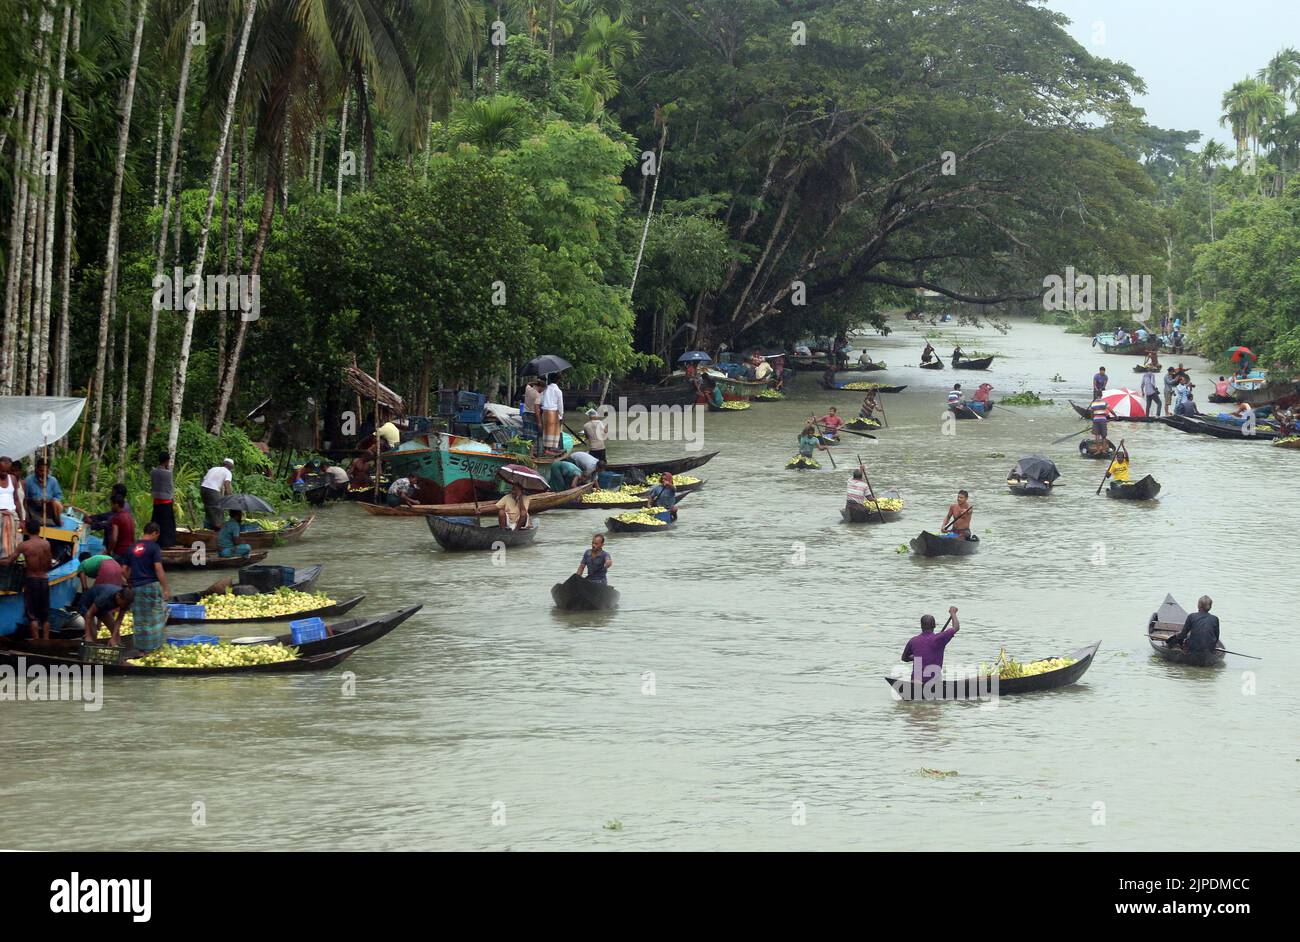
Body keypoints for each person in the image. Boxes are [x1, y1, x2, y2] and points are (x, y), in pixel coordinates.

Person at [0, 519, 53, 640]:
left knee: (32, 616)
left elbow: (8, 562)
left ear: (27, 530)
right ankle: (46, 642)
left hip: (32, 581)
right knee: (45, 617)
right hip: (44, 580)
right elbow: (49, 564)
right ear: (39, 530)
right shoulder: (46, 544)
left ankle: (36, 643)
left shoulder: (24, 545)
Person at [127, 522, 171, 653]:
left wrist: (130, 582)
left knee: (139, 619)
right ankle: (154, 649)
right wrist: (165, 588)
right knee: (155, 618)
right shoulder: (154, 547)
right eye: (157, 535)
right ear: (155, 533)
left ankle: (141, 650)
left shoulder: (131, 547)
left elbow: (123, 569)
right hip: (151, 585)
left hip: (136, 587)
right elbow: (158, 568)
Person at [901, 607, 961, 685]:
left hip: (916, 682)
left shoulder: (913, 641)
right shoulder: (939, 638)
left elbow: (904, 658)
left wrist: (916, 657)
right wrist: (953, 613)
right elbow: (956, 627)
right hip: (933, 683)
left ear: (921, 626)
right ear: (934, 626)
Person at [24, 457, 63, 526]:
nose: (43, 473)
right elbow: (24, 499)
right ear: (36, 469)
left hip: (48, 510)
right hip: (34, 511)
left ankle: (56, 520)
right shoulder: (28, 481)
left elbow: (58, 496)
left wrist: (50, 501)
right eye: (41, 470)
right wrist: (34, 500)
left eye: (46, 471)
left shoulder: (53, 480)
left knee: (56, 503)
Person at [149, 452, 177, 548]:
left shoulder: (153, 472)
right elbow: (170, 487)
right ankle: (167, 543)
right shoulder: (168, 473)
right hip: (166, 502)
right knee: (167, 525)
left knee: (156, 522)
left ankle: (155, 540)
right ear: (167, 461)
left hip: (156, 501)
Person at [0, 456, 24, 557]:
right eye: (2, 471)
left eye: (7, 471)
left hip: (12, 515)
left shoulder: (13, 479)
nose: (4, 474)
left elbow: (16, 500)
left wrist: (21, 520)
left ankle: (12, 562)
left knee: (15, 543)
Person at [200, 458, 235, 529]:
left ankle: (208, 527)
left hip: (203, 488)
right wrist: (231, 497)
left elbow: (203, 480)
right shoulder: (228, 472)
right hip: (212, 490)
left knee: (209, 509)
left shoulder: (213, 469)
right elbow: (227, 484)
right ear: (231, 467)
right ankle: (219, 529)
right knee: (218, 509)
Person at [107, 495, 136, 564]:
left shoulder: (117, 518)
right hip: (130, 550)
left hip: (120, 552)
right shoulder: (129, 516)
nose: (111, 507)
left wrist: (108, 551)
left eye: (112, 504)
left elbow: (114, 539)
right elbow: (133, 535)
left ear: (116, 504)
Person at [540, 374, 565, 454]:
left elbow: (541, 400)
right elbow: (560, 404)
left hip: (545, 411)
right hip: (553, 412)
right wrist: (561, 415)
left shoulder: (545, 389)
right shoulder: (558, 391)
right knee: (553, 430)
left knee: (546, 430)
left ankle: (547, 448)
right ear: (558, 380)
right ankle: (548, 449)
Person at [522, 379, 544, 444]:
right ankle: (531, 450)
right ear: (540, 387)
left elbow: (528, 383)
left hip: (525, 414)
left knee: (526, 434)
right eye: (543, 389)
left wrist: (535, 382)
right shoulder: (537, 395)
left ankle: (526, 448)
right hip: (533, 416)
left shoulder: (528, 389)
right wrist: (539, 423)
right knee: (532, 436)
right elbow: (537, 410)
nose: (542, 391)